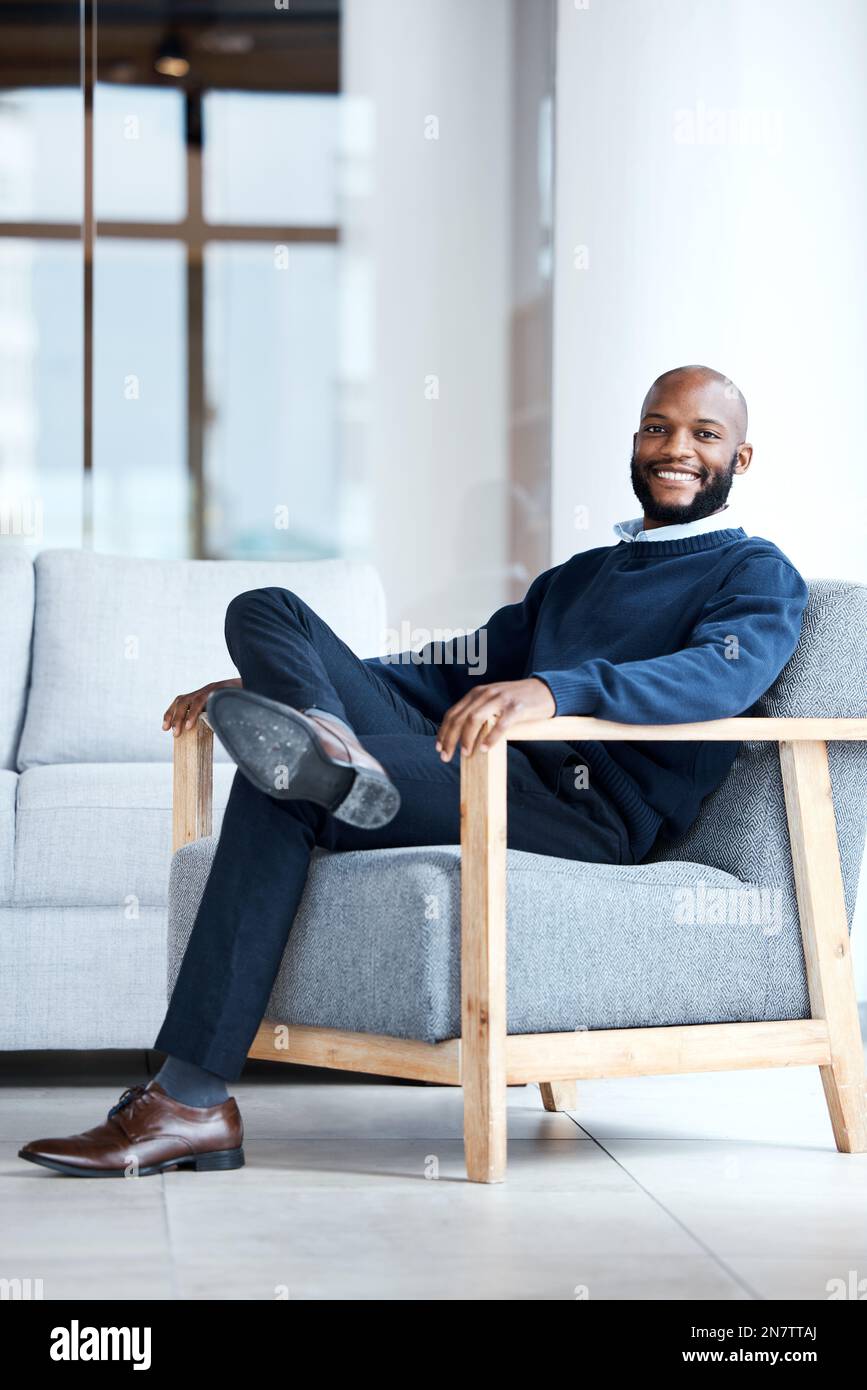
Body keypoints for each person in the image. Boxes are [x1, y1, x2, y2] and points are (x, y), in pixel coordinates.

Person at [18, 364, 809, 1178]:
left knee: (277, 774)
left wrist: (553, 688)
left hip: (580, 816)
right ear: (636, 440)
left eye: (702, 434)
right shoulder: (577, 577)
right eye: (656, 427)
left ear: (739, 459)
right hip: (479, 774)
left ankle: (188, 1101)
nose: (674, 448)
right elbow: (447, 669)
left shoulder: (754, 574)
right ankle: (322, 731)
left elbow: (721, 676)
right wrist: (298, 680)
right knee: (267, 609)